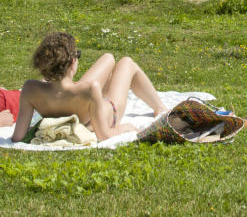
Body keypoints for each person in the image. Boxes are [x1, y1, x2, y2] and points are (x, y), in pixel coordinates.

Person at [11, 32, 166, 143]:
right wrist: (126, 128)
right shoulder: (89, 89)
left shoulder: (30, 89)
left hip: (77, 102)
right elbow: (104, 136)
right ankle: (160, 107)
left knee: (108, 58)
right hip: (105, 114)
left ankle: (157, 106)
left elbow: (18, 136)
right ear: (73, 62)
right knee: (127, 63)